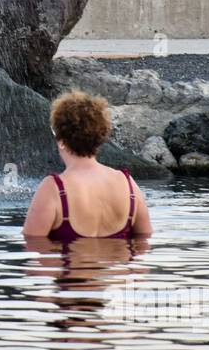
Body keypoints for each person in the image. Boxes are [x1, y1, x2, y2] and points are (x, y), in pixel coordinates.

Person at [23, 91, 151, 241]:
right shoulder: (128, 184)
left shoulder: (53, 188)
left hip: (70, 263)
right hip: (119, 263)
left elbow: (33, 247)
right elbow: (144, 242)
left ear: (62, 141)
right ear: (100, 136)